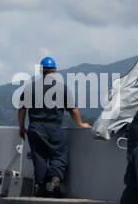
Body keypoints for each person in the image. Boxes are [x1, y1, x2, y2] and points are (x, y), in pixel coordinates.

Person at [16, 55, 90, 196]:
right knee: (59, 154)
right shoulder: (61, 88)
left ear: (41, 71)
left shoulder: (30, 88)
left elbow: (21, 109)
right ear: (55, 71)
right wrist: (80, 123)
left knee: (39, 157)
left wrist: (21, 127)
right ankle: (55, 177)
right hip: (53, 127)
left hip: (35, 127)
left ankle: (42, 187)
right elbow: (73, 109)